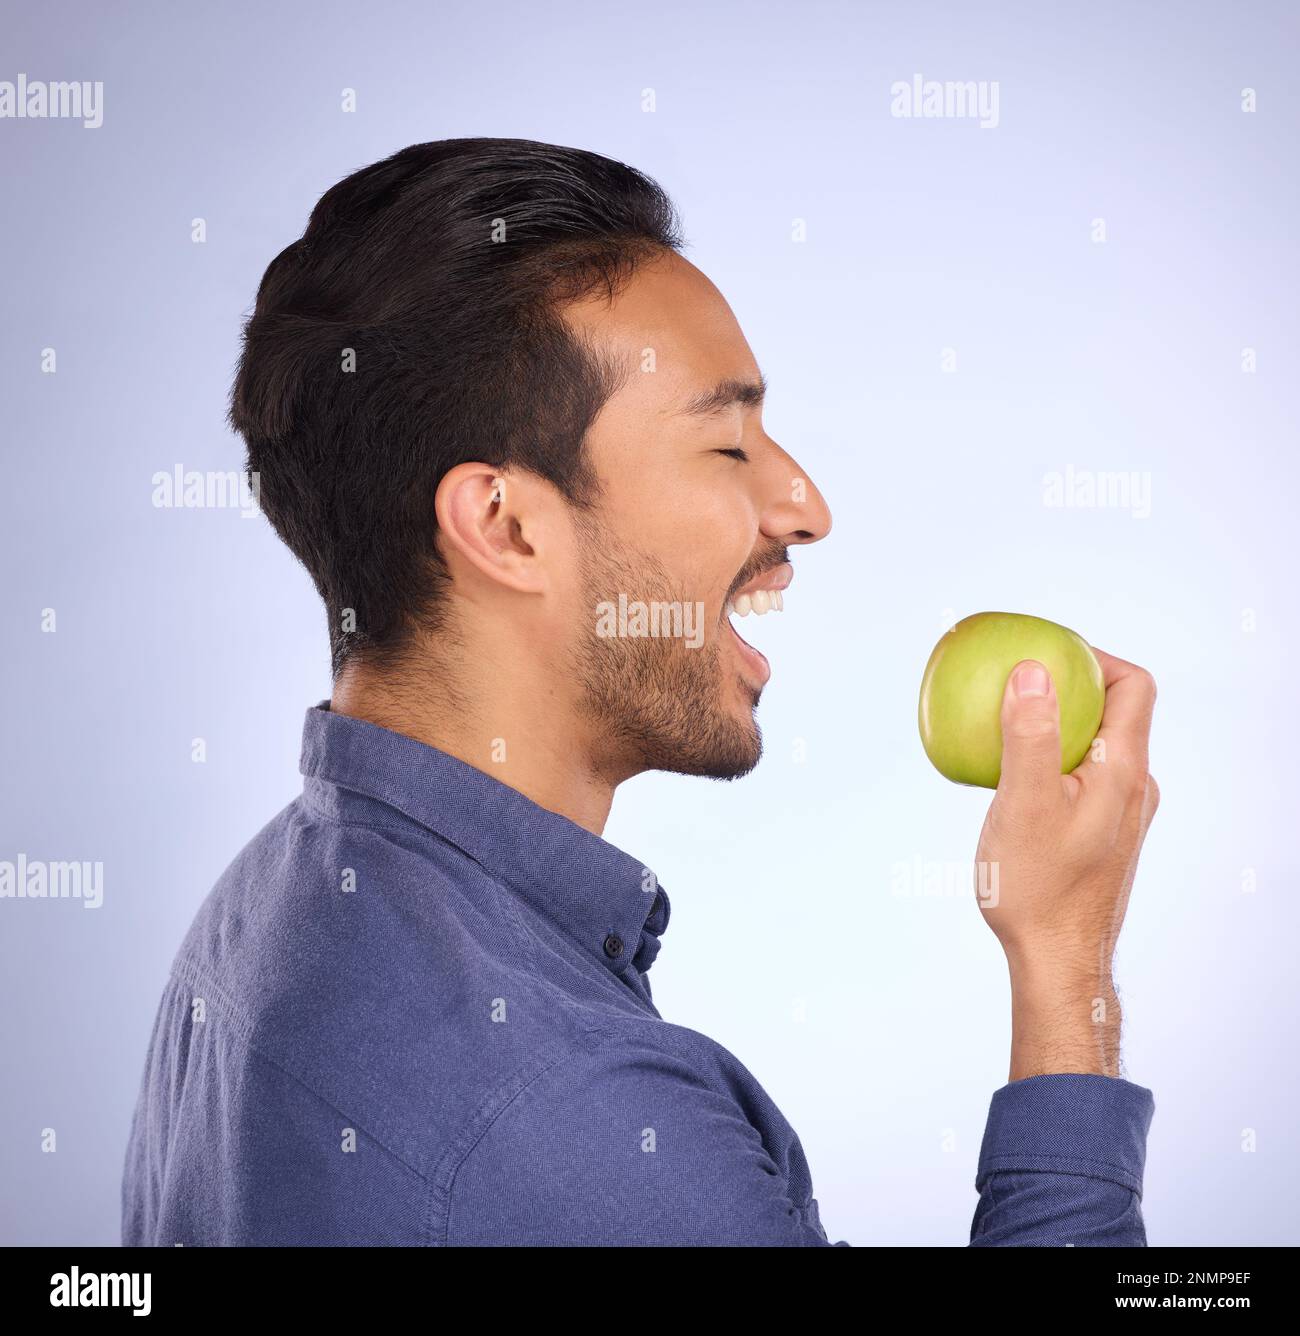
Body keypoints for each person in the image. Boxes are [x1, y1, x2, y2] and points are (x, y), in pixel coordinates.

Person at [121, 138, 1159, 1246]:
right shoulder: (568, 1114)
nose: (804, 504)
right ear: (506, 527)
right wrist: (1063, 965)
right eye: (725, 443)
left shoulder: (259, 913)